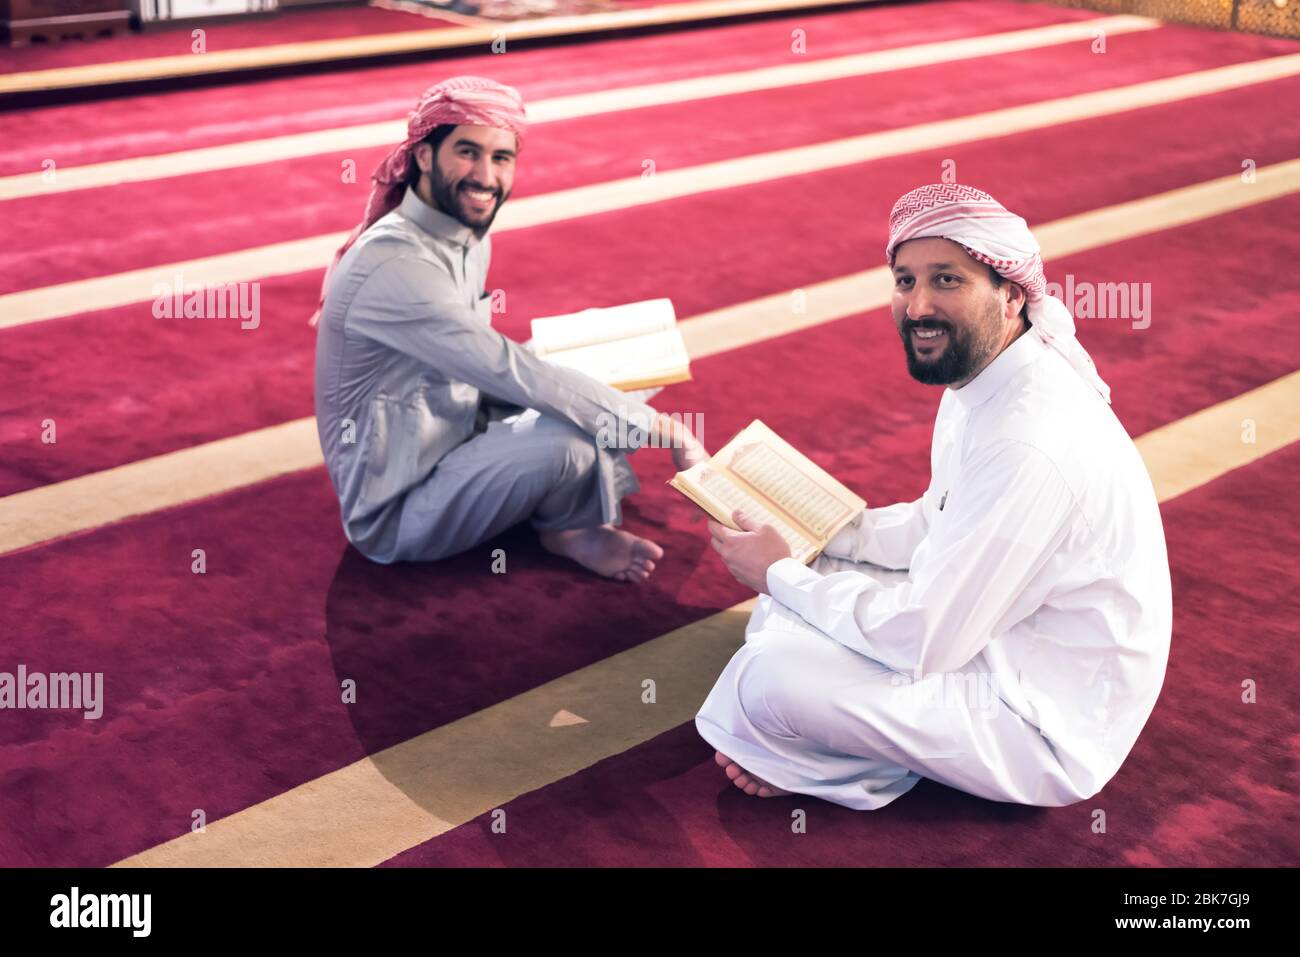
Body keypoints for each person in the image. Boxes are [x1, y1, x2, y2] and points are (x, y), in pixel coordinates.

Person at [696, 183, 1172, 808]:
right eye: (904, 281)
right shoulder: (985, 380)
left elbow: (926, 641)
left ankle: (838, 763)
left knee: (769, 678)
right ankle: (822, 748)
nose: (917, 306)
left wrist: (778, 573)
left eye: (947, 281)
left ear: (1011, 294)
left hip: (1036, 721)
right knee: (808, 579)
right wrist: (824, 529)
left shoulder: (1029, 440)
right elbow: (936, 522)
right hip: (990, 632)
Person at [312, 76, 705, 580]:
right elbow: (506, 369)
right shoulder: (394, 265)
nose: (485, 175)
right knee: (572, 437)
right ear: (425, 155)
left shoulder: (465, 232)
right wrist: (666, 431)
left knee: (613, 350)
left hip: (461, 421)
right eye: (468, 152)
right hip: (398, 505)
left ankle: (550, 498)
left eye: (501, 158)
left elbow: (487, 366)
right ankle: (569, 528)